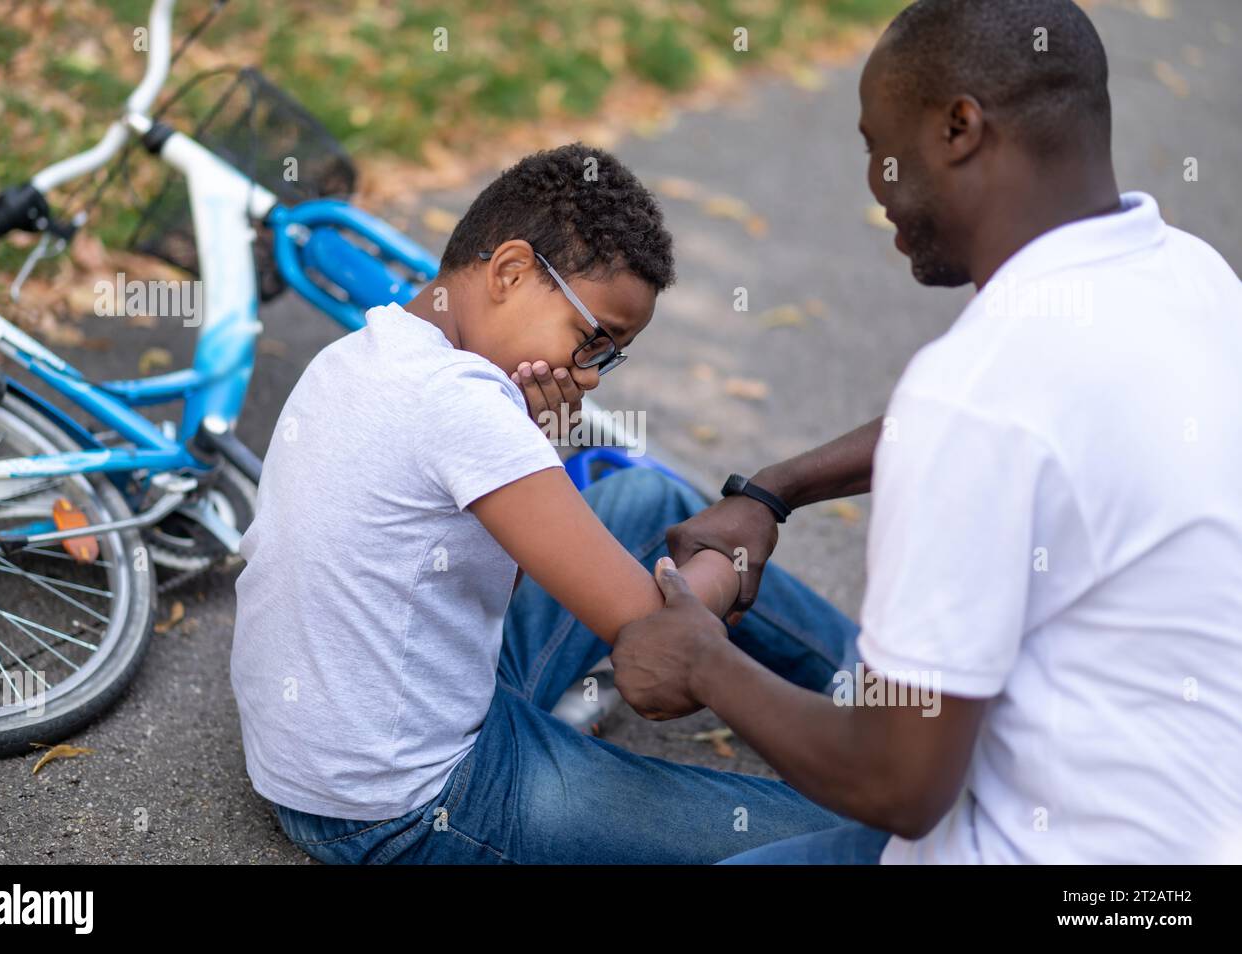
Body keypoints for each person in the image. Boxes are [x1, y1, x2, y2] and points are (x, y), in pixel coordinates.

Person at [615, 0, 1242, 864]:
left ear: (958, 128)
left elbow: (898, 785)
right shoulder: (1187, 274)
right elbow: (1024, 418)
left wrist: (702, 664)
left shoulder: (974, 399)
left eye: (878, 147)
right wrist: (776, 490)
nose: (875, 185)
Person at [231, 143, 871, 864]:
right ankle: (891, 738)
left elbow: (487, 575)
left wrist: (538, 441)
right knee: (851, 830)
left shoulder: (367, 351)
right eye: (592, 339)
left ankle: (871, 688)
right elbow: (659, 661)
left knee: (649, 496)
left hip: (336, 750)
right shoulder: (460, 408)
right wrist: (738, 544)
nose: (590, 377)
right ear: (509, 271)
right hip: (406, 806)